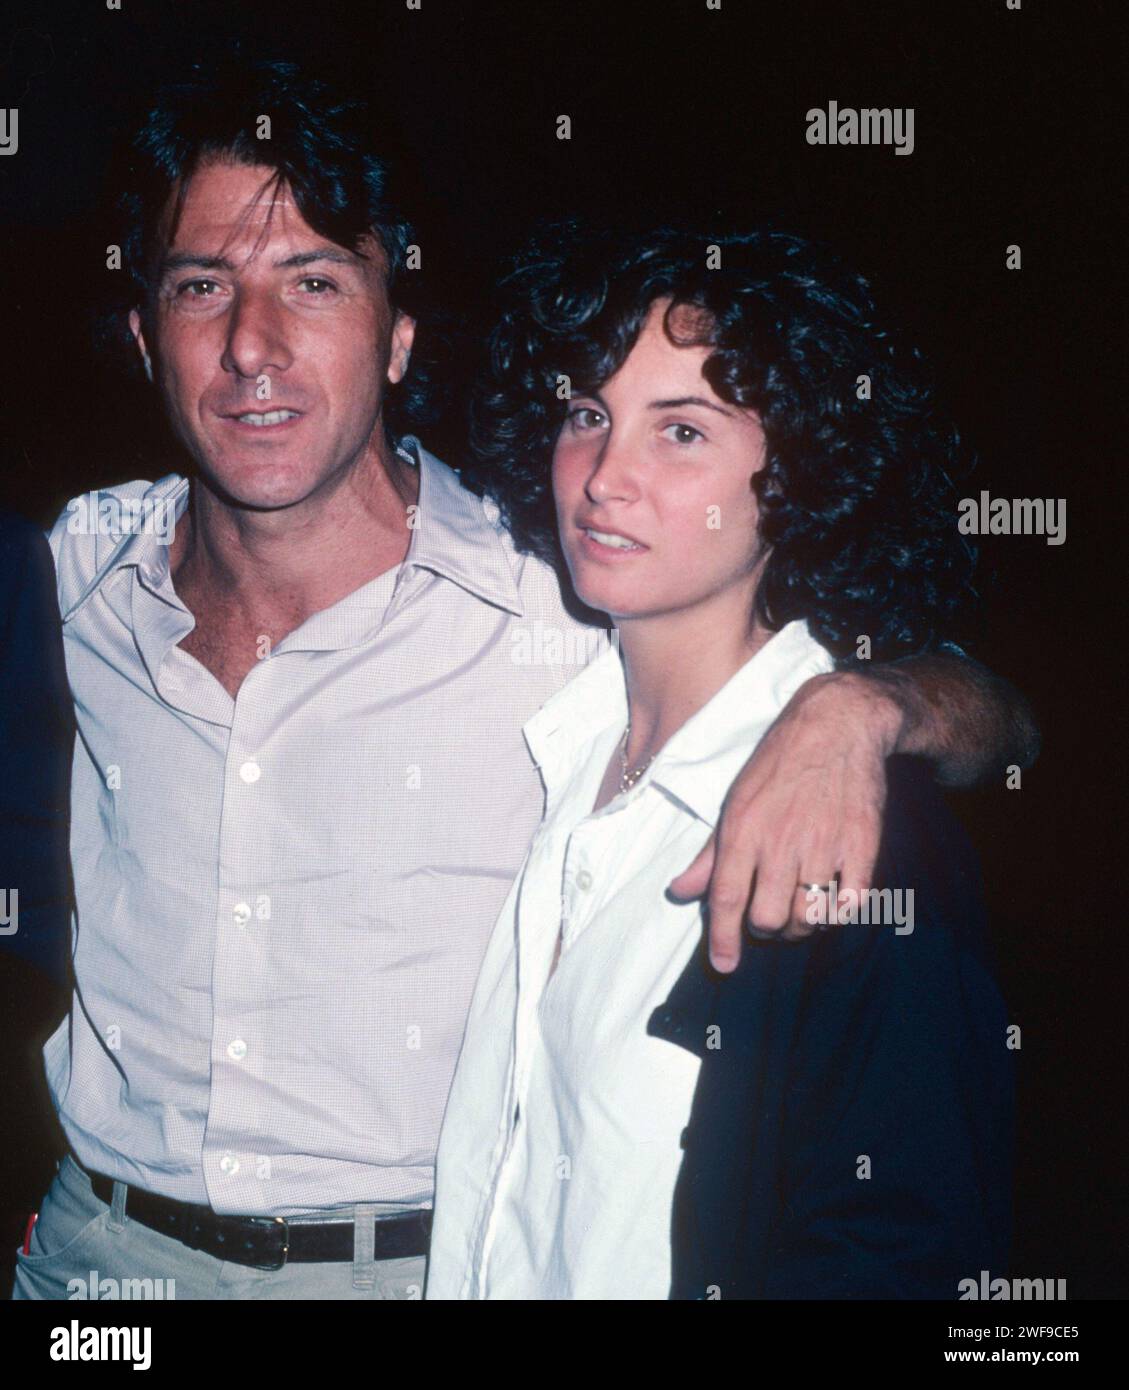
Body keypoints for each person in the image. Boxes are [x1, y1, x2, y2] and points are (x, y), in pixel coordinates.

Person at [14, 55, 1033, 1301]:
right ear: (142, 332)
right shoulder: (66, 573)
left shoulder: (551, 597)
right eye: (200, 285)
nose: (252, 347)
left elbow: (1008, 713)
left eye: (314, 280)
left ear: (396, 337)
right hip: (95, 1271)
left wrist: (866, 705)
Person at [426, 225, 1014, 1300]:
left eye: (681, 432)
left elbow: (896, 1251)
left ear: (796, 474)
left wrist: (871, 707)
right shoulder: (565, 737)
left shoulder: (848, 825)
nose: (605, 478)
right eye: (587, 415)